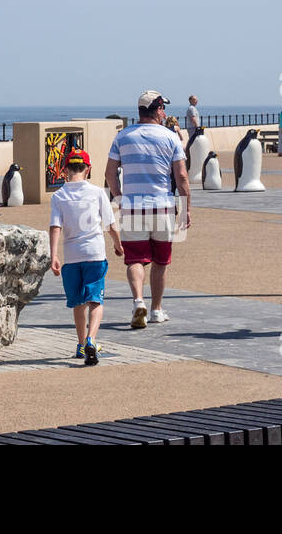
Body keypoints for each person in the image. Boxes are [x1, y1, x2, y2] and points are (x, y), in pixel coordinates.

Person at [105, 90, 190, 329]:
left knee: (135, 259)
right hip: (163, 206)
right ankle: (156, 310)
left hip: (132, 207)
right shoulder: (170, 137)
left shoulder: (122, 137)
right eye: (164, 109)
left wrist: (120, 198)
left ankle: (137, 301)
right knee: (161, 261)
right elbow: (181, 177)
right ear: (159, 109)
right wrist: (186, 209)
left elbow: (109, 174)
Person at [49, 149, 122, 365]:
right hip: (94, 254)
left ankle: (81, 345)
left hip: (71, 256)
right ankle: (91, 339)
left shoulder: (58, 196)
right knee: (95, 300)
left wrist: (53, 255)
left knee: (78, 302)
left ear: (65, 169)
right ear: (88, 169)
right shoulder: (97, 192)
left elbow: (55, 227)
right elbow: (110, 224)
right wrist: (117, 244)